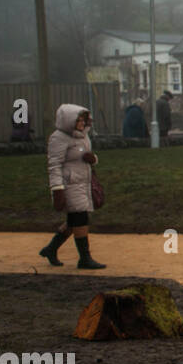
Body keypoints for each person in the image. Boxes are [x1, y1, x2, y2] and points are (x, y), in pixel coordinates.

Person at [40, 104, 106, 269]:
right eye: (79, 120)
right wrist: (57, 189)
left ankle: (51, 249)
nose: (83, 123)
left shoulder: (82, 136)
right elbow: (54, 165)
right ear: (70, 121)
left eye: (84, 120)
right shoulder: (58, 138)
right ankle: (84, 258)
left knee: (74, 220)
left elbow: (83, 156)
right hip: (69, 184)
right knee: (80, 218)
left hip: (83, 181)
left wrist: (93, 159)